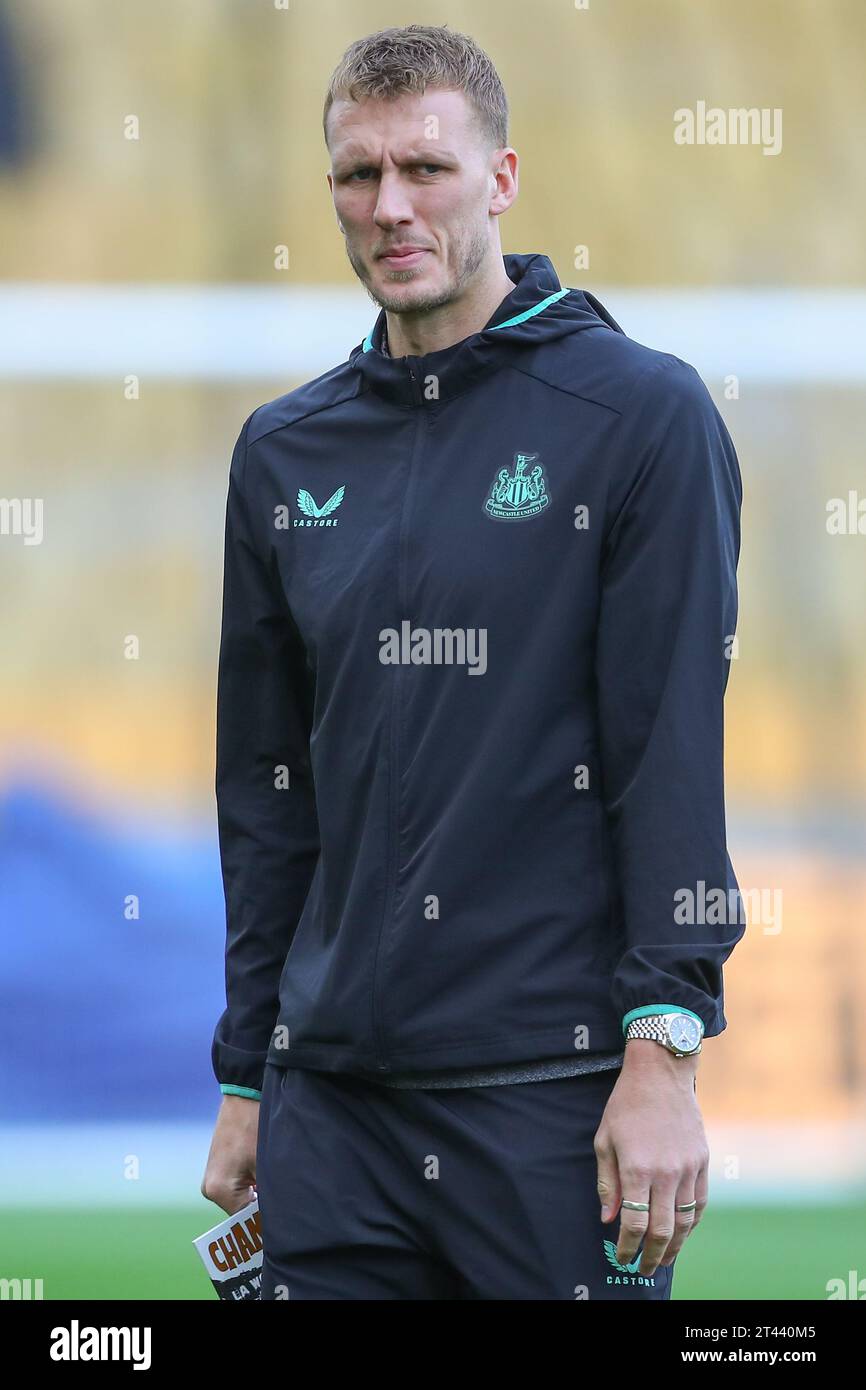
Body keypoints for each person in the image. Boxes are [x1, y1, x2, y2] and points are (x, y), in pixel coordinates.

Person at [201, 23, 745, 1301]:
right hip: (330, 1113)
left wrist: (661, 1052)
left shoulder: (638, 418)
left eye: (425, 170)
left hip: (546, 1106)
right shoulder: (283, 453)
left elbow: (666, 756)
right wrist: (245, 1074)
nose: (389, 207)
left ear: (499, 180)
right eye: (356, 175)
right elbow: (267, 798)